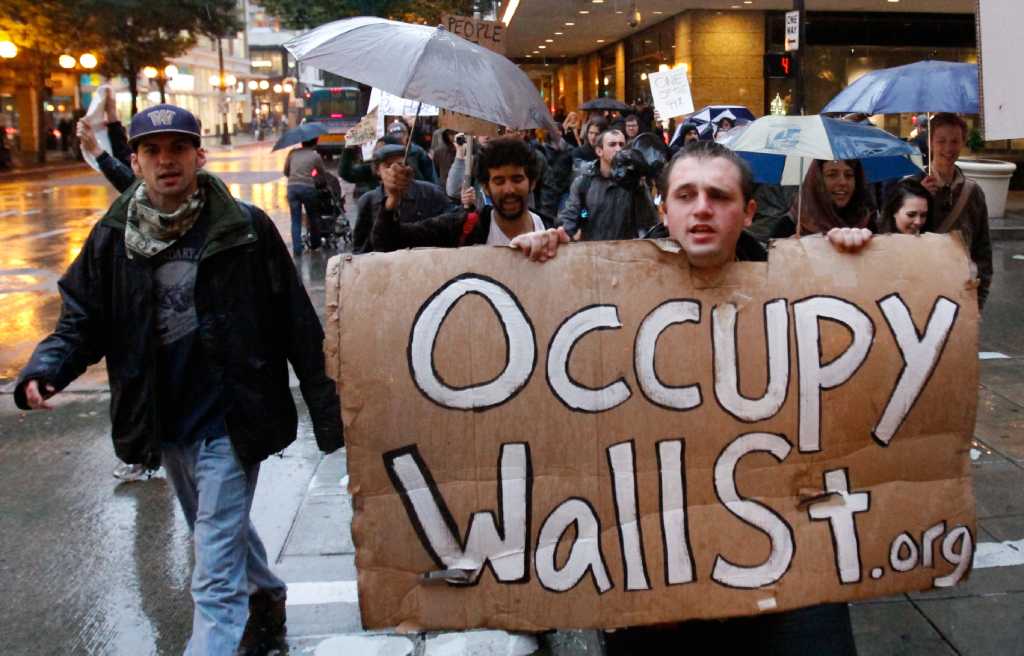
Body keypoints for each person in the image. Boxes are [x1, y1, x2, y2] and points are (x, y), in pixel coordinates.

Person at [509, 141, 866, 654]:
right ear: (665, 209)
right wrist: (530, 271)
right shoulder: (606, 289)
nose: (702, 208)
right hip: (658, 565)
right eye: (687, 195)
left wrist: (855, 266)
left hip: (787, 558)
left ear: (746, 212)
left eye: (719, 196)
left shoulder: (799, 287)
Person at [12, 103, 343, 656]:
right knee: (212, 526)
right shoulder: (114, 235)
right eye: (152, 151)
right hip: (165, 417)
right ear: (136, 162)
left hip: (234, 416)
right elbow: (82, 318)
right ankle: (265, 591)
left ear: (198, 156)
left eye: (178, 149)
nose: (166, 161)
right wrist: (46, 370)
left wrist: (328, 409)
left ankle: (220, 633)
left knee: (212, 570)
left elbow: (296, 325)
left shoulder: (244, 228)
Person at [366, 136, 554, 251]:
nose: (509, 190)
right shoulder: (465, 226)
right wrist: (392, 200)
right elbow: (387, 242)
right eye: (499, 181)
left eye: (517, 179)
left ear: (532, 183)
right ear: (486, 187)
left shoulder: (550, 230)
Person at [919, 112, 993, 309]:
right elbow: (895, 238)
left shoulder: (973, 192)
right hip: (920, 290)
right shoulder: (911, 185)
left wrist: (978, 301)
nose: (948, 148)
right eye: (941, 141)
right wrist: (920, 198)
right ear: (930, 142)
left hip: (961, 295)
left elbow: (982, 250)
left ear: (963, 142)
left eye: (955, 141)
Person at [558, 129, 658, 241]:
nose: (618, 149)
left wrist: (639, 186)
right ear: (599, 151)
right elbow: (570, 217)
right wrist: (562, 233)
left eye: (622, 145)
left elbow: (648, 222)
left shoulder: (633, 183)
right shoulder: (583, 183)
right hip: (592, 252)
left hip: (625, 253)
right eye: (612, 145)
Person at [354, 142, 454, 253]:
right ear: (378, 170)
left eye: (400, 164)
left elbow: (453, 227)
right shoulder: (368, 201)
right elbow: (360, 250)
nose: (395, 170)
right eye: (388, 166)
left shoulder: (430, 193)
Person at [792, 159, 876, 236]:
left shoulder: (868, 225)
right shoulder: (792, 225)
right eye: (832, 175)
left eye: (849, 175)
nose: (843, 182)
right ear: (816, 180)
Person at [284, 137, 327, 256]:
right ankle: (315, 245)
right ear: (315, 142)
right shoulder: (315, 156)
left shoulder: (292, 153)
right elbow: (322, 174)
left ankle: (297, 249)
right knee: (313, 217)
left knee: (295, 220)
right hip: (308, 188)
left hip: (292, 188)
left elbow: (286, 171)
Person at [385, 119, 438, 185]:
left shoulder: (417, 151)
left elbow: (430, 173)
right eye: (394, 138)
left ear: (407, 135)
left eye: (401, 137)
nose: (399, 141)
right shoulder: (384, 153)